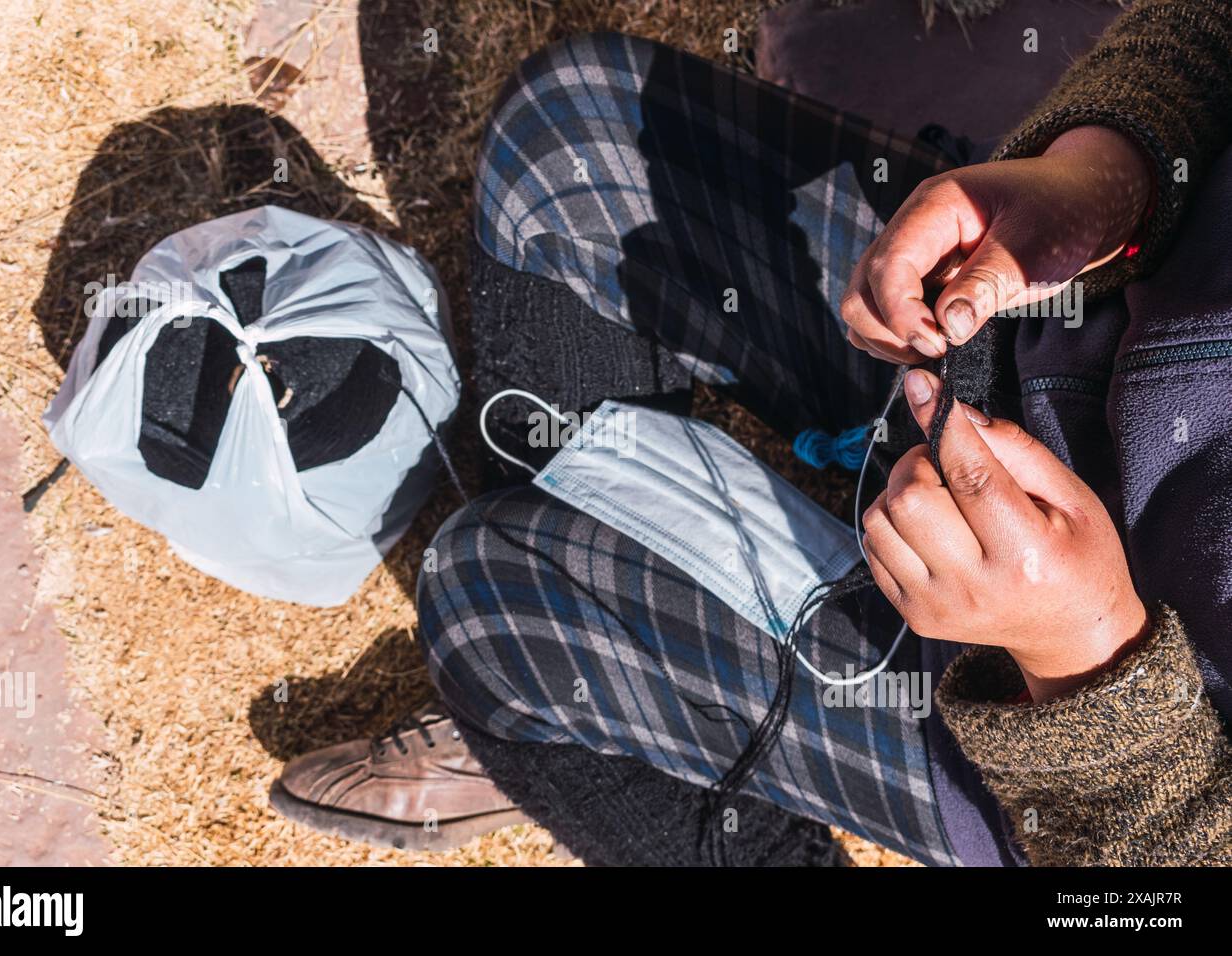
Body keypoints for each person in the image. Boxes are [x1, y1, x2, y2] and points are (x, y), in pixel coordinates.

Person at [271, 0, 1232, 865]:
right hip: (1040, 323)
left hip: (1084, 735)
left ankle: (572, 702)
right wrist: (1113, 173)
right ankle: (601, 700)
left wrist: (1082, 659)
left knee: (480, 601)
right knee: (566, 143)